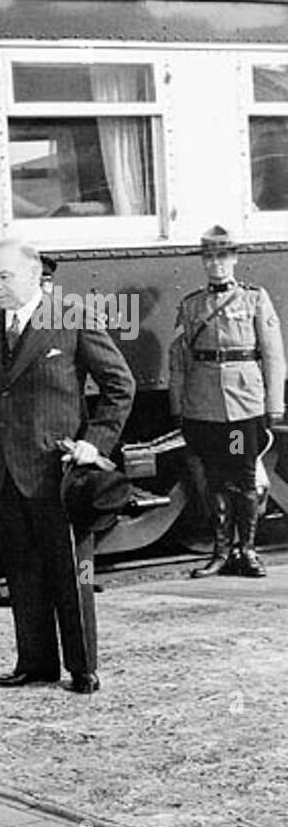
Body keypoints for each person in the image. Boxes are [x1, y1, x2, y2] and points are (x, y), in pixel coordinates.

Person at [0, 239, 136, 695]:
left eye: (5, 277)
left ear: (36, 274)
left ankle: (83, 667)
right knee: (22, 573)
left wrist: (93, 444)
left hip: (56, 475)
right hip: (3, 474)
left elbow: (121, 384)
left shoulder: (71, 316)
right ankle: (35, 663)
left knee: (71, 573)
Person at [170, 225, 285, 579]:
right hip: (203, 407)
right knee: (213, 479)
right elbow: (178, 361)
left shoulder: (253, 298)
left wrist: (274, 404)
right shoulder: (192, 305)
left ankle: (246, 550)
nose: (216, 264)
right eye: (209, 257)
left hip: (240, 407)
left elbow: (273, 355)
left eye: (222, 256)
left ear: (234, 259)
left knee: (242, 476)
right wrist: (178, 406)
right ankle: (221, 551)